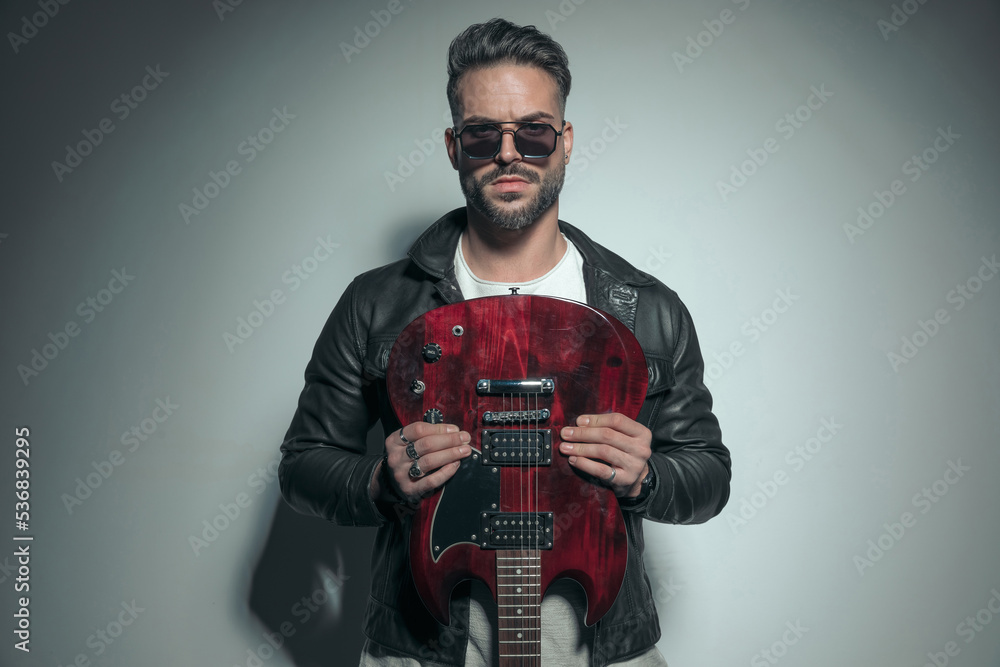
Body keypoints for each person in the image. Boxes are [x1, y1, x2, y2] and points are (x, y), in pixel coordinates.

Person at [278, 18, 731, 666]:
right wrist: (379, 479)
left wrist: (649, 474)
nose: (509, 152)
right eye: (483, 133)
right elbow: (303, 464)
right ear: (453, 145)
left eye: (535, 132)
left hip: (598, 642)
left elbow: (708, 474)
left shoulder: (646, 310)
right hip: (427, 642)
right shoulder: (377, 303)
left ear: (566, 141)